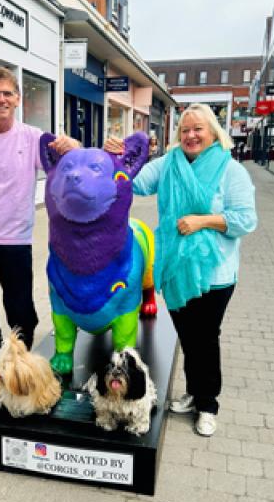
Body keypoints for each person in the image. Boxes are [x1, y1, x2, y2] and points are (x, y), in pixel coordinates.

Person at [104, 103, 257, 437]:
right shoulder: (169, 164)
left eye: (198, 129)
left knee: (205, 338)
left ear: (213, 132)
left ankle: (208, 405)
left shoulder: (231, 171)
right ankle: (193, 392)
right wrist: (117, 157)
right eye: (185, 130)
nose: (191, 135)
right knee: (188, 338)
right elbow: (137, 183)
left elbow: (246, 219)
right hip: (175, 269)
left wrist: (203, 221)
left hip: (214, 275)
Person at [0, 66, 80, 411]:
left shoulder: (33, 137)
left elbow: (72, 161)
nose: (1, 99)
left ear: (18, 99)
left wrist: (75, 144)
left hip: (15, 241)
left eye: (7, 93)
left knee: (22, 312)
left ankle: (22, 373)